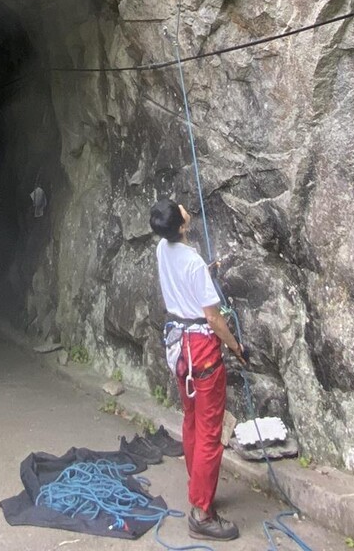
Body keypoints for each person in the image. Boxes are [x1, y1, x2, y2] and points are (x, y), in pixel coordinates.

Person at [150, 199, 246, 542]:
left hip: (178, 347)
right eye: (179, 209)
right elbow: (213, 318)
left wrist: (205, 273)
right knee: (208, 431)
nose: (182, 205)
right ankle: (202, 514)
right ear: (181, 226)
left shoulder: (163, 249)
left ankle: (198, 488)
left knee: (191, 420)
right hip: (202, 350)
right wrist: (236, 347)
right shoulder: (192, 263)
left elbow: (186, 279)